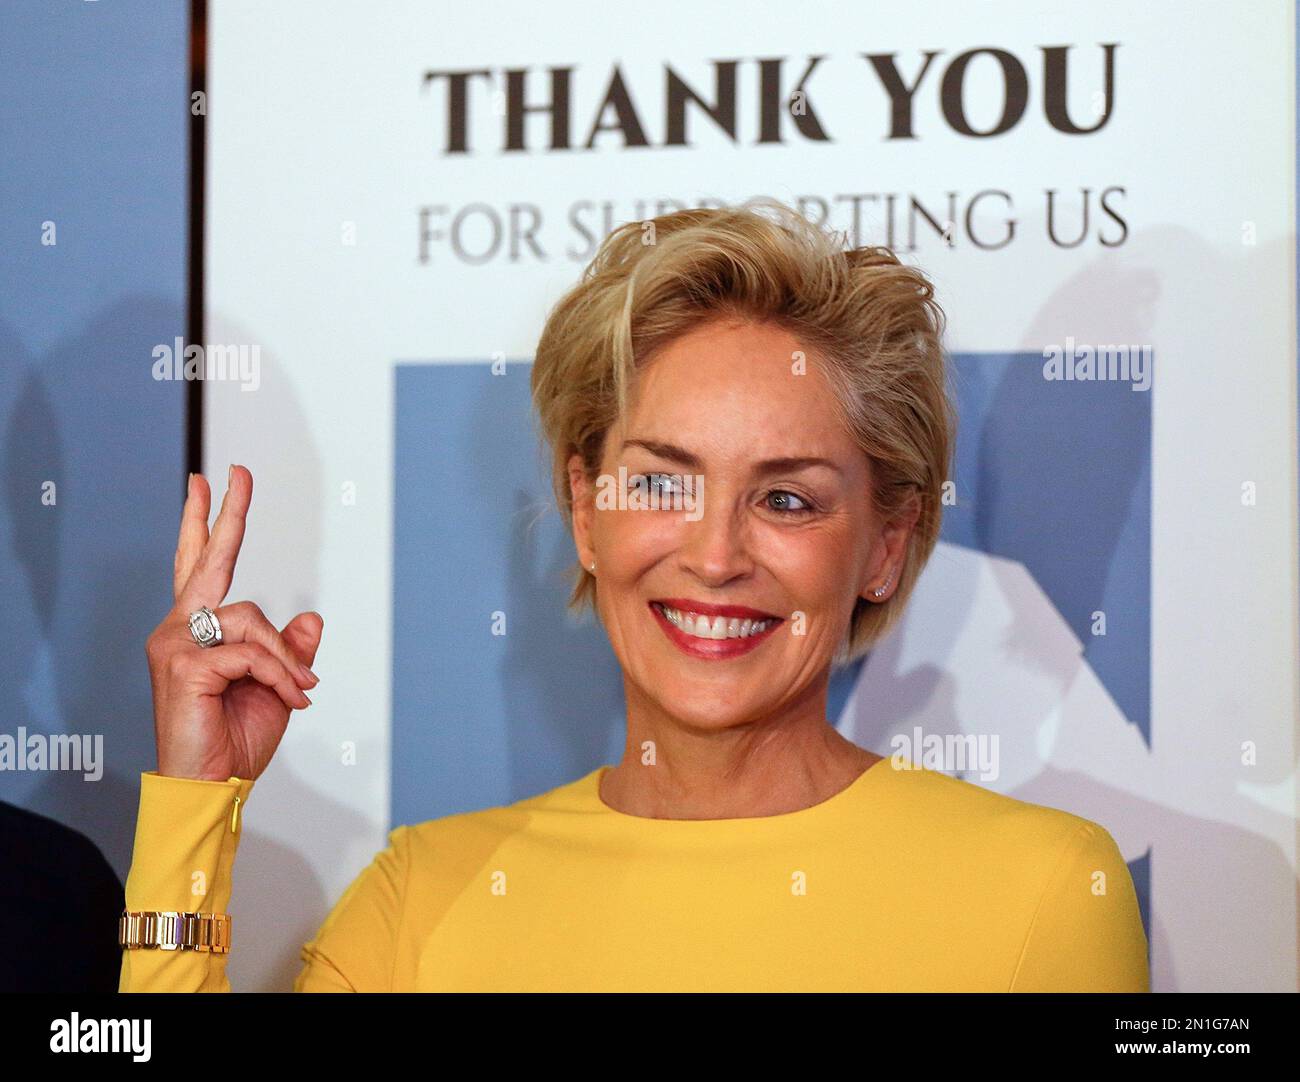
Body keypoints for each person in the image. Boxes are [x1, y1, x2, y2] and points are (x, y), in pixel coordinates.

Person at [119, 199, 1149, 992]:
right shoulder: (419, 892)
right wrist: (189, 820)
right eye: (661, 480)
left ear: (886, 542)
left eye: (785, 496)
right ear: (585, 504)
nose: (715, 553)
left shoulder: (1043, 891)